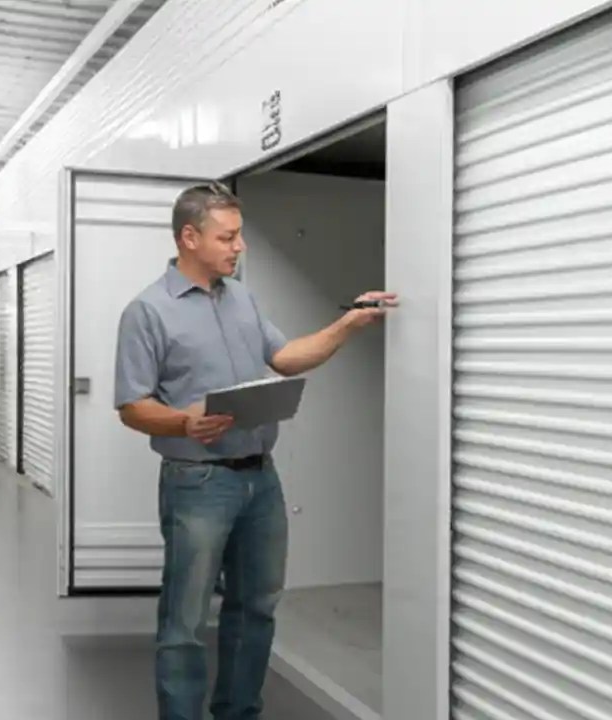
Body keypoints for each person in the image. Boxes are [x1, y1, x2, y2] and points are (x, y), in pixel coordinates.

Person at [113, 181, 395, 719]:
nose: (239, 247)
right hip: (197, 484)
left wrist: (348, 323)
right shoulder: (147, 312)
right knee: (186, 623)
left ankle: (239, 713)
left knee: (257, 609)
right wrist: (182, 421)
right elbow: (131, 405)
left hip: (260, 481)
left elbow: (285, 358)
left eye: (238, 236)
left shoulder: (241, 297)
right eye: (229, 236)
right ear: (189, 237)